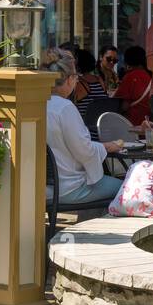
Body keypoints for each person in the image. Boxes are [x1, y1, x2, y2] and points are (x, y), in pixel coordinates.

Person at [42, 49, 124, 207]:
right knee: (127, 187)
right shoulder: (64, 107)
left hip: (43, 188)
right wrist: (108, 147)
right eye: (76, 77)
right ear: (69, 79)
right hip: (69, 188)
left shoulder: (37, 104)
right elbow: (84, 151)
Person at [114, 45, 153, 126]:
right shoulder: (150, 75)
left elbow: (122, 105)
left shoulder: (130, 76)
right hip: (148, 123)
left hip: (131, 123)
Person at [71, 47, 106, 119]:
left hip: (85, 123)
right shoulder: (99, 80)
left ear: (77, 64)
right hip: (101, 122)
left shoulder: (78, 83)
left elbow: (70, 105)